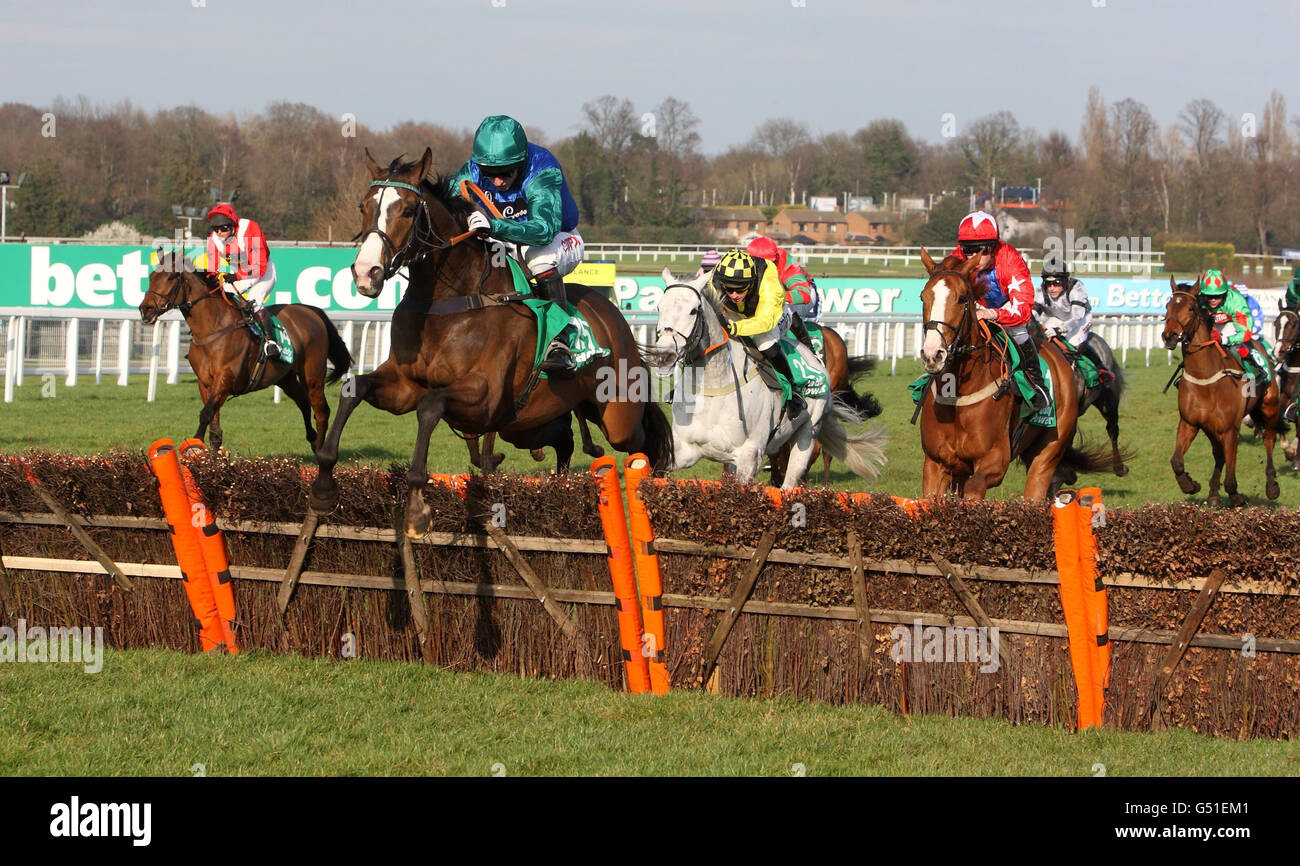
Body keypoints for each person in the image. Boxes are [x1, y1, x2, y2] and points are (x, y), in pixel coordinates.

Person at [449, 115, 583, 376]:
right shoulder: (472, 170)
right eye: (491, 174)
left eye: (506, 173)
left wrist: (494, 226)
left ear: (521, 162)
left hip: (559, 238)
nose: (498, 181)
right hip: (505, 240)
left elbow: (544, 230)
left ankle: (559, 341)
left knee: (538, 258)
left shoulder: (542, 169)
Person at [950, 211, 1050, 412]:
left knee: (1019, 333)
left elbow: (1022, 310)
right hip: (974, 309)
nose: (974, 257)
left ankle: (1037, 386)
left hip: (1007, 309)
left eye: (982, 250)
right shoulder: (957, 258)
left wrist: (993, 314)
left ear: (994, 247)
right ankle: (934, 383)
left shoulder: (1011, 260)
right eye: (969, 250)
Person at [711, 249, 812, 421]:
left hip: (774, 315)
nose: (734, 295)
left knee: (764, 342)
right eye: (729, 290)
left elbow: (764, 322)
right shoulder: (716, 278)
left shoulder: (768, 279)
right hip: (739, 315)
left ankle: (794, 391)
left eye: (740, 290)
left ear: (750, 282)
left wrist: (734, 328)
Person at [205, 203, 279, 359]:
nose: (219, 233)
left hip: (263, 272)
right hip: (239, 273)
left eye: (223, 228)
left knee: (254, 300)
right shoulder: (213, 239)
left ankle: (272, 342)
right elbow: (213, 269)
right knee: (219, 299)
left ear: (233, 225)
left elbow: (259, 267)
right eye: (216, 229)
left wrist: (236, 276)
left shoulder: (250, 229)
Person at [1197, 269, 1269, 386]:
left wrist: (1224, 340)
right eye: (1209, 296)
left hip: (1231, 326)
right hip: (1209, 325)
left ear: (1225, 293)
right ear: (1203, 294)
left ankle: (1255, 372)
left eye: (1217, 296)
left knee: (1236, 346)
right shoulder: (1199, 298)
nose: (1213, 299)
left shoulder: (1236, 301)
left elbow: (1245, 332)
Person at [746, 236, 822, 324]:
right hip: (777, 293)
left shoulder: (788, 265)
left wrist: (772, 295)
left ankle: (804, 338)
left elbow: (804, 295)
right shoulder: (746, 260)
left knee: (779, 310)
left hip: (805, 294)